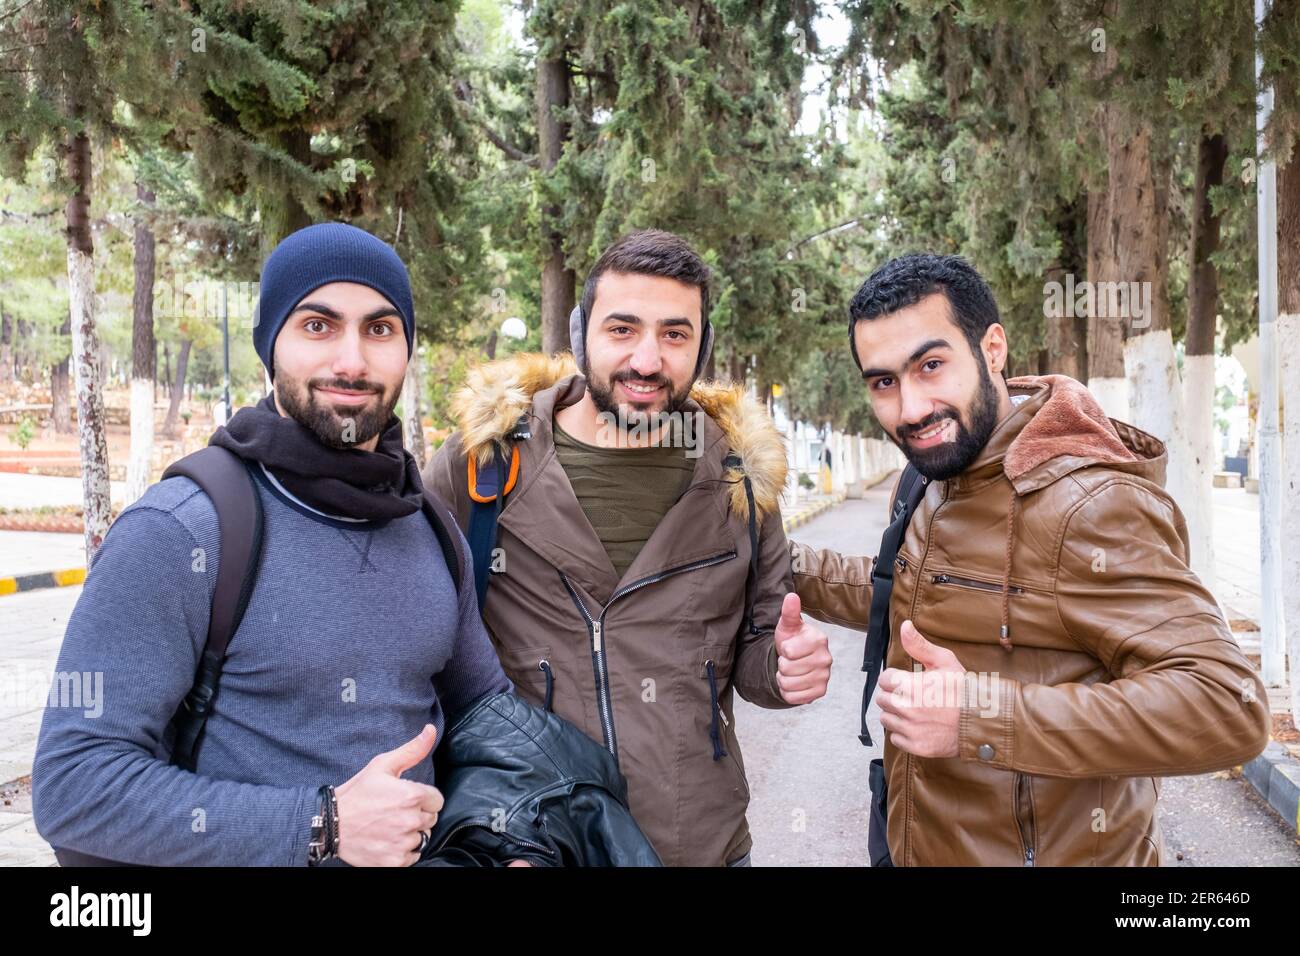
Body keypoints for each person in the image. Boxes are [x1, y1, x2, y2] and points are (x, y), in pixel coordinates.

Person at [33, 222, 513, 866]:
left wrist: (514, 842)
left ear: (406, 350)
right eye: (318, 325)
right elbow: (72, 785)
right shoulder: (181, 529)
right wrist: (323, 824)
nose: (352, 360)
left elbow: (489, 721)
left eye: (380, 328)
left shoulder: (429, 527)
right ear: (270, 346)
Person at [790, 252, 1269, 866]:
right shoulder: (929, 478)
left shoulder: (1089, 505)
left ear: (992, 349)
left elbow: (1228, 705)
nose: (910, 408)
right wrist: (775, 558)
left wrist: (978, 716)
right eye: (884, 382)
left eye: (931, 365)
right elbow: (902, 590)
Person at [425, 229, 834, 866]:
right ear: (581, 332)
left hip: (699, 847)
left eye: (675, 334)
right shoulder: (482, 465)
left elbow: (755, 649)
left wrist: (784, 668)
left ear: (702, 347)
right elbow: (421, 648)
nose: (647, 360)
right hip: (536, 845)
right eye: (622, 329)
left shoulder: (739, 476)